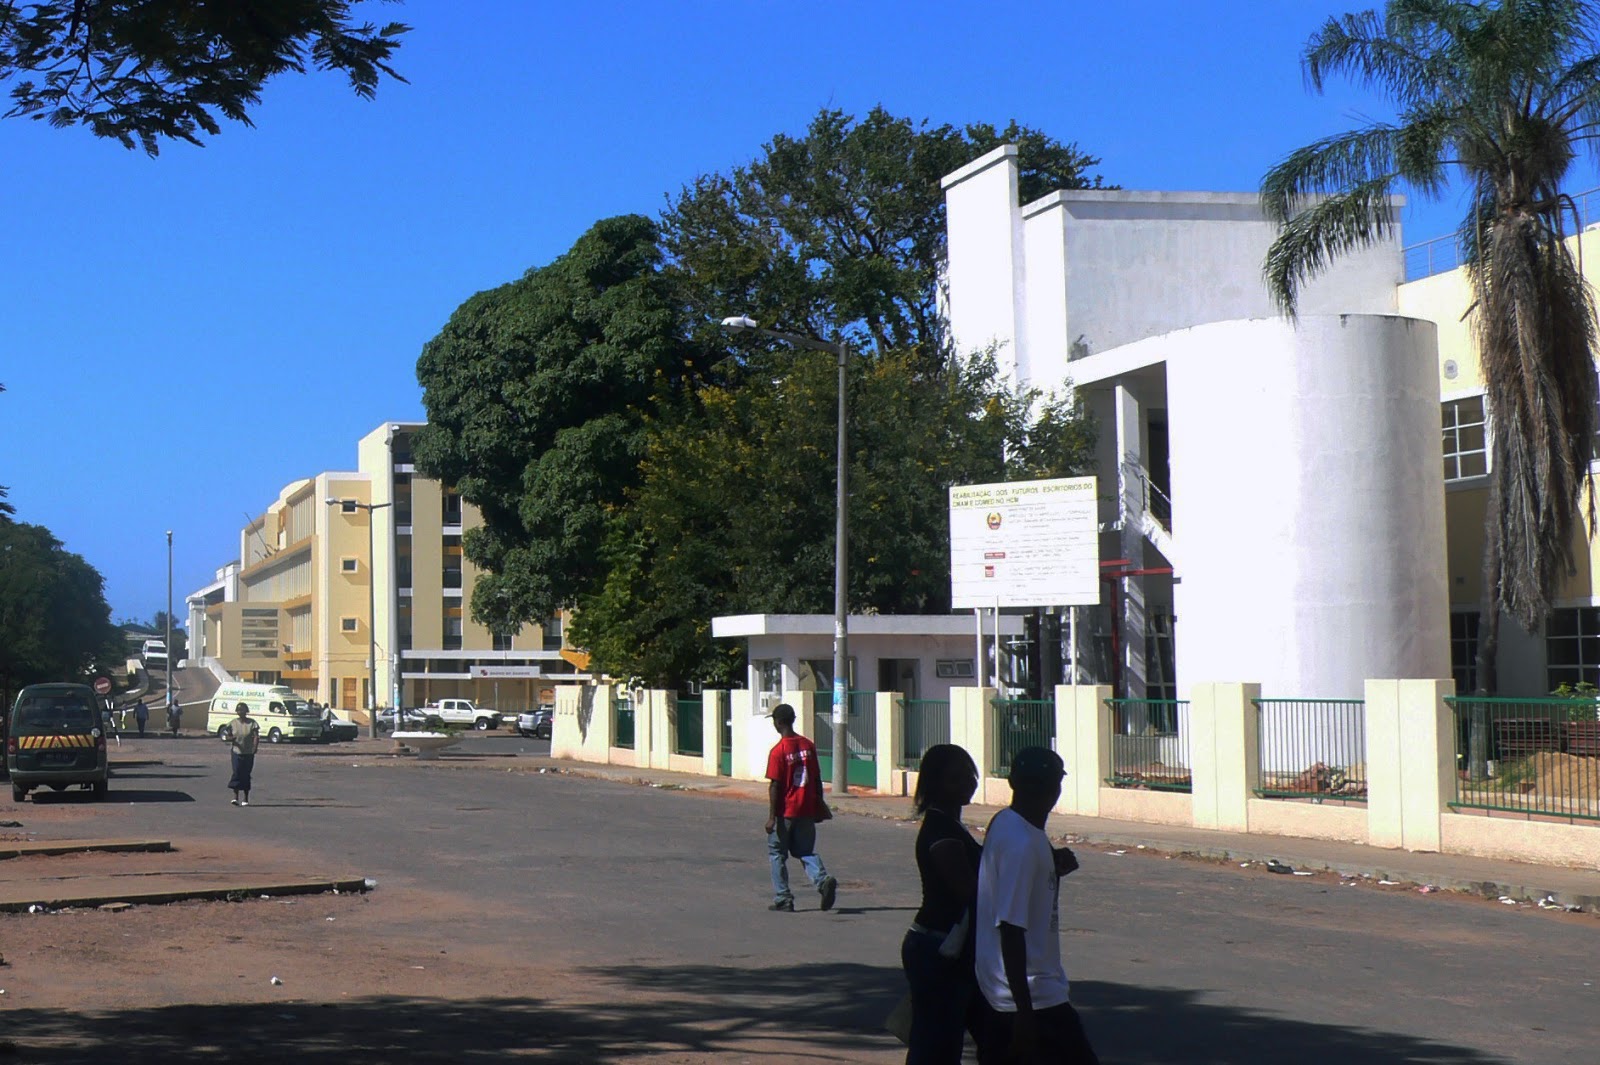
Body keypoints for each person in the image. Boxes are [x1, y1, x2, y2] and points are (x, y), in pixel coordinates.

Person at [975, 747, 1099, 1064]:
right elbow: (1011, 929)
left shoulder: (1006, 822)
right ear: (1056, 788)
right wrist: (1025, 1016)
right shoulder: (1023, 844)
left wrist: (1050, 867)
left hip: (1006, 994)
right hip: (1033, 995)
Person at [902, 743, 991, 1064]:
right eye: (956, 778)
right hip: (937, 948)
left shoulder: (951, 825)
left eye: (970, 775)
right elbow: (969, 891)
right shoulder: (941, 832)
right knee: (935, 1047)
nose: (968, 783)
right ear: (935, 784)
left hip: (952, 949)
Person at [763, 703, 838, 912]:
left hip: (785, 812)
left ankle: (783, 898)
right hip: (806, 809)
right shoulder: (808, 746)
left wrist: (771, 817)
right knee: (805, 851)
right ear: (793, 720)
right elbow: (816, 778)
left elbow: (775, 785)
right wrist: (818, 806)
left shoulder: (778, 751)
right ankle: (822, 880)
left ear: (778, 723)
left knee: (777, 854)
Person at [224, 702, 260, 806]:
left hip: (248, 752)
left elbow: (256, 736)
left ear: (246, 711)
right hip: (237, 752)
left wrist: (255, 747)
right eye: (239, 710)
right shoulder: (233, 723)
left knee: (246, 774)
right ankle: (235, 797)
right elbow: (227, 736)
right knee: (237, 772)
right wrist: (231, 738)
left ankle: (245, 798)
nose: (241, 712)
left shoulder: (252, 723)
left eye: (243, 710)